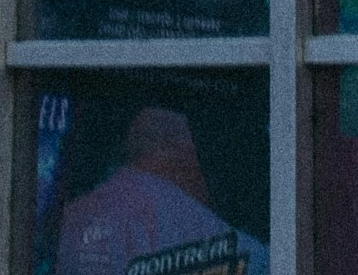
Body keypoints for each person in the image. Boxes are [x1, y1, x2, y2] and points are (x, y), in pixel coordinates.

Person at [51, 102, 254, 275]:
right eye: (196, 158)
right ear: (179, 149)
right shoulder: (207, 229)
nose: (201, 176)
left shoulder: (66, 220)